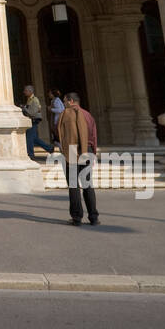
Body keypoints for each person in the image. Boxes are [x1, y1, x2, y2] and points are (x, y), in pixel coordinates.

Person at [57, 92, 98, 226]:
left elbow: (62, 134)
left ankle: (77, 217)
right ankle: (93, 217)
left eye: (64, 101)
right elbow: (93, 135)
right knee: (87, 184)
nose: (63, 104)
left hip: (72, 151)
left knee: (74, 185)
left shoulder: (66, 115)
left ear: (71, 101)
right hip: (88, 150)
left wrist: (65, 150)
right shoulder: (87, 115)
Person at [23, 85, 54, 160]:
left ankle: (30, 154)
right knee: (34, 138)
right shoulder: (30, 99)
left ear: (30, 91)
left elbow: (32, 112)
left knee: (29, 138)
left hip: (33, 120)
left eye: (26, 91)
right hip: (32, 120)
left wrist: (24, 109)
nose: (24, 92)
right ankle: (49, 148)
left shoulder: (34, 100)